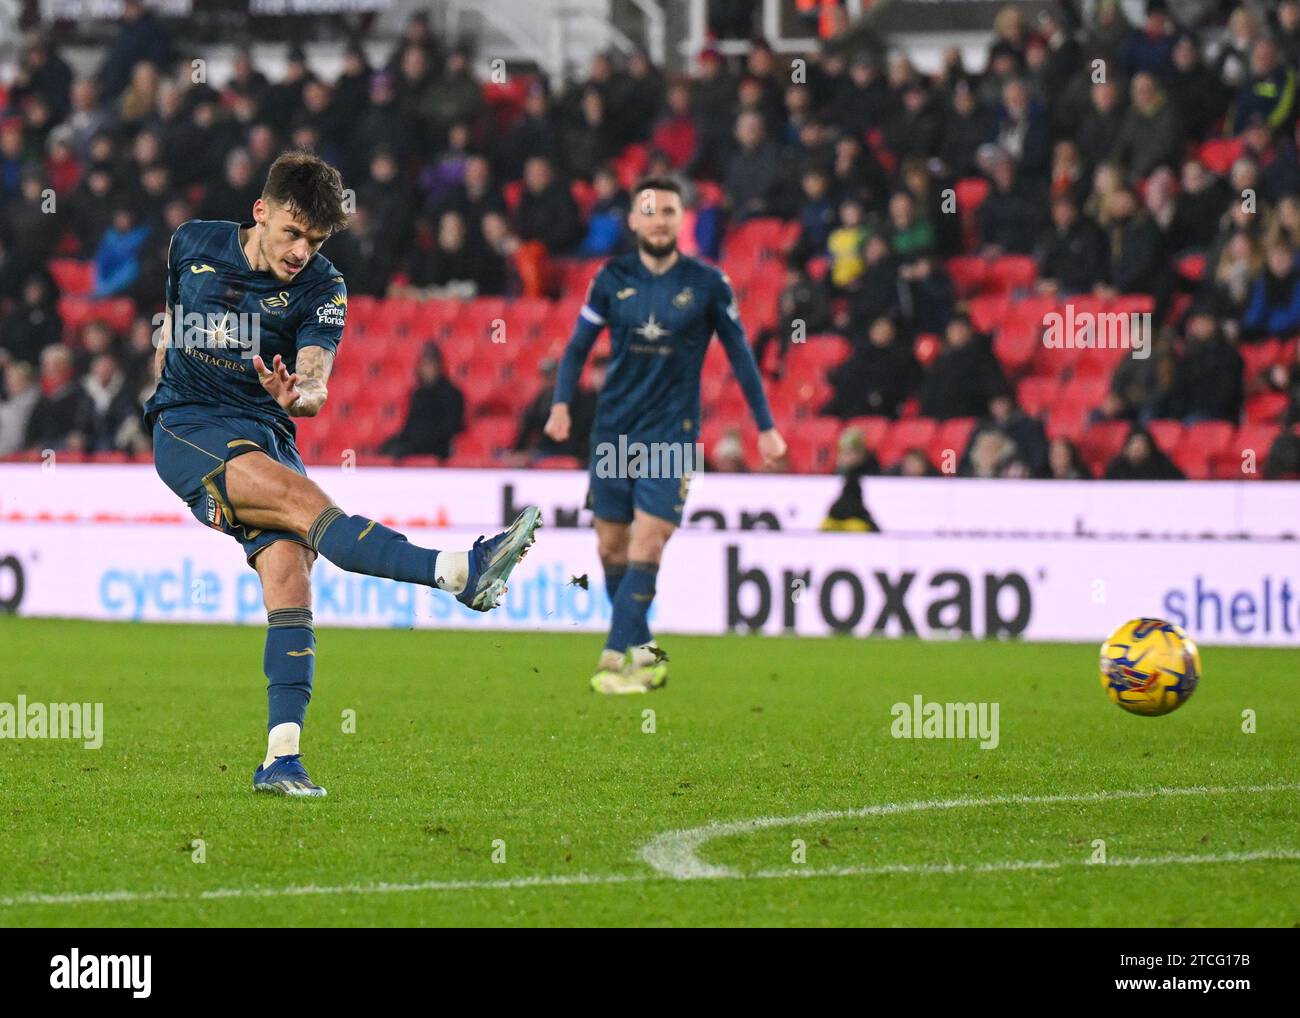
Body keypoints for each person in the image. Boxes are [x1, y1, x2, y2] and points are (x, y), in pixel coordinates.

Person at [143, 151, 541, 798]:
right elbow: (170, 322)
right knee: (308, 507)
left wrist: (297, 395)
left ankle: (281, 758)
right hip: (189, 426)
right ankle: (459, 573)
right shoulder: (192, 243)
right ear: (260, 211)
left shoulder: (324, 287)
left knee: (290, 575)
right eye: (292, 233)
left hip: (266, 431)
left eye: (316, 240)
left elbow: (315, 386)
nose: (301, 251)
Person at [544, 176, 784, 694]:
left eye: (668, 210)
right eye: (648, 210)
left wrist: (765, 426)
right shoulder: (611, 278)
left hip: (670, 437)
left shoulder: (707, 283)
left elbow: (741, 356)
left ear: (682, 219)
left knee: (649, 541)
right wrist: (562, 402)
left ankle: (613, 653)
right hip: (613, 433)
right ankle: (649, 656)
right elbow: (577, 348)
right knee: (611, 550)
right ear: (633, 219)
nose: (658, 219)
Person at [379, 344, 465, 458]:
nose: (427, 369)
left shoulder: (452, 394)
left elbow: (452, 427)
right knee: (385, 449)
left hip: (436, 447)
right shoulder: (418, 394)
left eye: (430, 364)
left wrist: (425, 436)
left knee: (398, 452)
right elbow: (409, 426)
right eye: (424, 364)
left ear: (439, 366)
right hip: (413, 443)